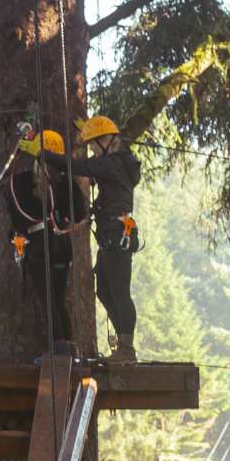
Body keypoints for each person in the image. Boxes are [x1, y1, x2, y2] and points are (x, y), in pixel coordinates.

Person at [42, 115, 142, 362]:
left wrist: (44, 155)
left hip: (117, 236)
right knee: (105, 291)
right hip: (111, 236)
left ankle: (127, 349)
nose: (94, 151)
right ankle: (123, 344)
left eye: (95, 146)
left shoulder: (113, 163)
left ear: (106, 141)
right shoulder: (117, 161)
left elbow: (80, 167)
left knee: (119, 291)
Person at [6, 129, 89, 354]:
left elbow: (20, 214)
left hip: (40, 246)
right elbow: (79, 212)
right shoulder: (63, 179)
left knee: (48, 300)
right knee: (58, 298)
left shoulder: (21, 180)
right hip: (62, 245)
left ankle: (59, 346)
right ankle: (68, 345)